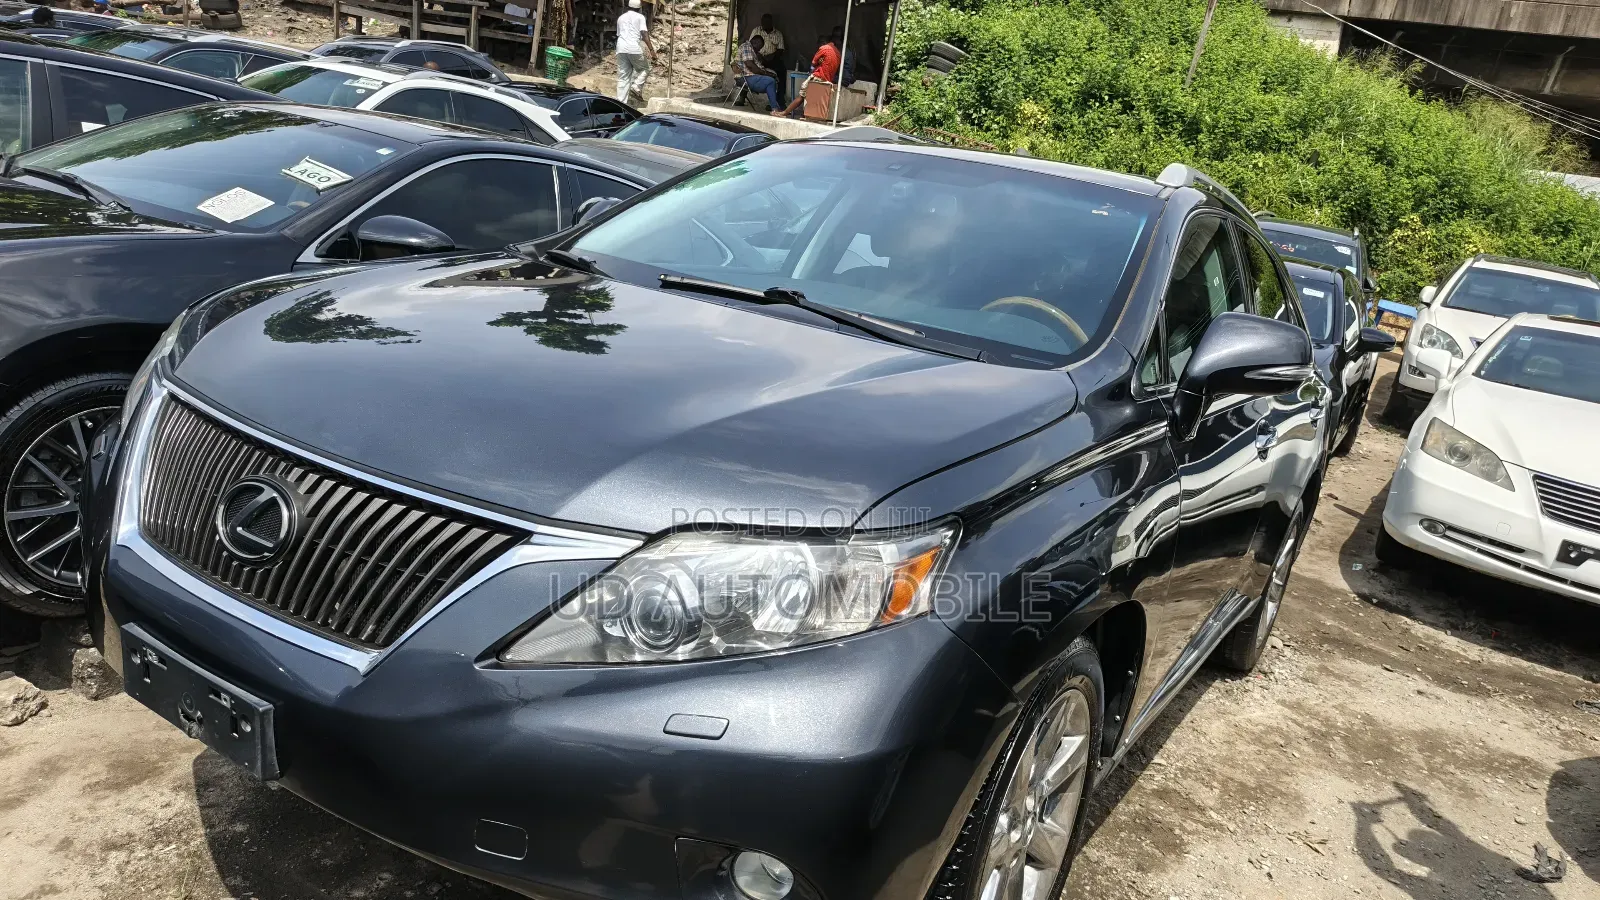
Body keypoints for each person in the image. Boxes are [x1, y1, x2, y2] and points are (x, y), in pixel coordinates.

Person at [771, 30, 838, 118]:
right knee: (813, 99)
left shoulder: (824, 48)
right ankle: (805, 115)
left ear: (822, 43)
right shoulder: (837, 52)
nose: (818, 46)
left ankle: (784, 113)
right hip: (827, 80)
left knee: (801, 96)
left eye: (818, 44)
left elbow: (813, 63)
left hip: (818, 77)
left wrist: (815, 67)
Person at [614, 0, 654, 103]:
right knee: (646, 68)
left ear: (628, 6)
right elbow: (644, 34)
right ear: (639, 8)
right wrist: (651, 50)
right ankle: (636, 87)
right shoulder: (640, 17)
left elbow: (619, 34)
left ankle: (620, 102)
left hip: (621, 48)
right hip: (634, 48)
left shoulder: (621, 18)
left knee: (623, 76)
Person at [735, 34, 778, 111]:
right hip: (747, 78)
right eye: (759, 47)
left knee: (773, 77)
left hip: (748, 77)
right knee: (771, 81)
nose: (758, 50)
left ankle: (774, 105)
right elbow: (750, 65)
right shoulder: (747, 47)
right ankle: (775, 108)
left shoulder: (750, 49)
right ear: (755, 42)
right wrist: (765, 73)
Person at [749, 13, 784, 99]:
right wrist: (758, 55)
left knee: (781, 70)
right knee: (748, 68)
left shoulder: (778, 34)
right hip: (757, 57)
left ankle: (779, 98)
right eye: (763, 22)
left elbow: (780, 50)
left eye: (767, 22)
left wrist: (771, 57)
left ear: (771, 22)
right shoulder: (756, 30)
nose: (764, 24)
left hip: (772, 59)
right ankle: (742, 97)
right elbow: (750, 45)